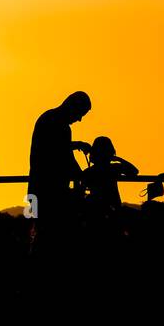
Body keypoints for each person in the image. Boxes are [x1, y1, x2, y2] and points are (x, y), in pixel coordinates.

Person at [28, 91, 92, 240]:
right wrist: (81, 176)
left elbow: (54, 147)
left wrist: (76, 144)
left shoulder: (47, 118)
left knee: (39, 235)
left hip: (37, 188)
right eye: (80, 113)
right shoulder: (61, 126)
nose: (80, 119)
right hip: (51, 193)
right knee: (53, 237)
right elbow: (65, 156)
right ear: (73, 107)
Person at [80, 136, 138, 215]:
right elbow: (134, 171)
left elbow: (81, 191)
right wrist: (119, 159)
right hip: (114, 208)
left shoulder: (88, 171)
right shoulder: (114, 168)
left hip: (95, 210)